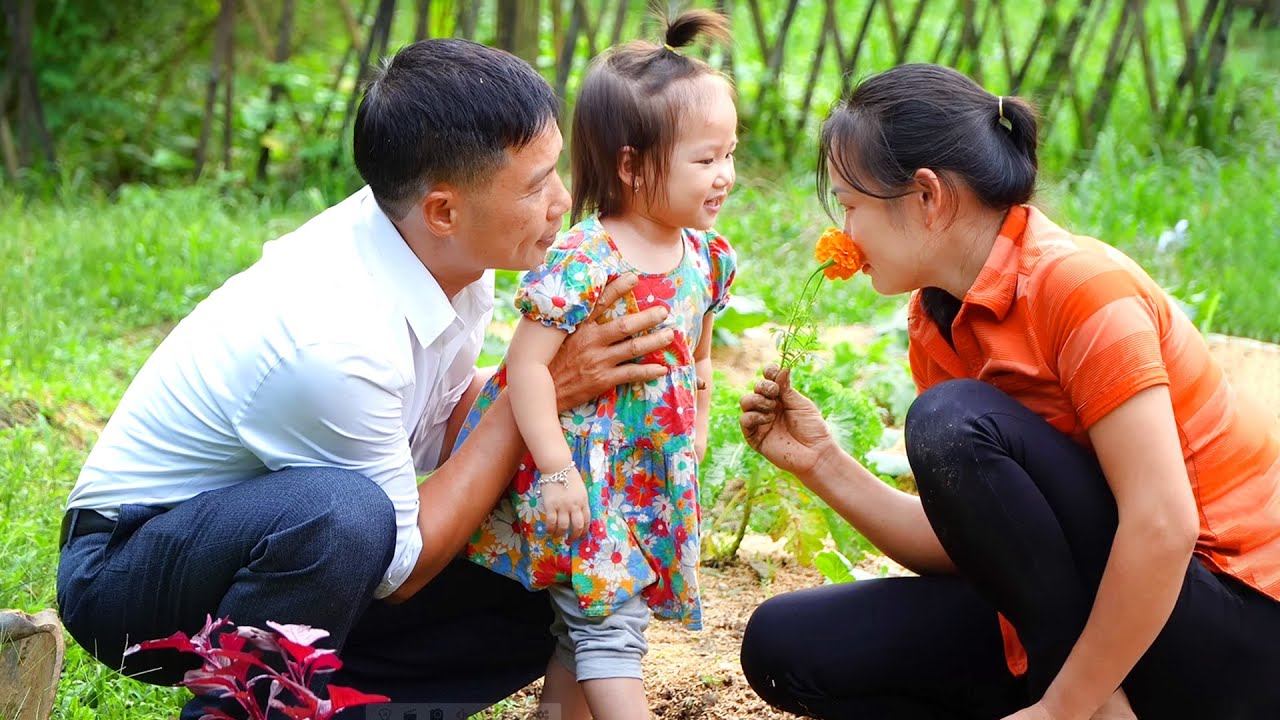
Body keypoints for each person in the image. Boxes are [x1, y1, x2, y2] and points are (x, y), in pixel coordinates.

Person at [55, 39, 677, 720]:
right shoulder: (338, 341)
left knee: (550, 574)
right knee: (345, 517)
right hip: (127, 572)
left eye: (556, 171)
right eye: (534, 186)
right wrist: (542, 393)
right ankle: (238, 710)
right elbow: (400, 569)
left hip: (271, 549)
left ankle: (320, 707)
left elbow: (448, 428)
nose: (563, 201)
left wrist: (572, 420)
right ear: (444, 210)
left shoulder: (447, 256)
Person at [736, 63, 1280, 720]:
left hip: (1228, 622)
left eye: (851, 207)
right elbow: (985, 538)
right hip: (1089, 622)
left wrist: (1070, 705)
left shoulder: (1082, 291)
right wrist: (822, 463)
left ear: (928, 197)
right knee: (786, 645)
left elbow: (1163, 525)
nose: (844, 234)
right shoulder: (937, 321)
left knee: (950, 420)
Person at [457, 10, 737, 720]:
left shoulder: (706, 256)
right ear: (631, 162)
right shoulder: (586, 258)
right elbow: (525, 368)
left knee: (579, 634)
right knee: (611, 632)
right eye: (705, 160)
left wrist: (696, 433)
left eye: (729, 155)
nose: (724, 176)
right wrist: (554, 467)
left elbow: (697, 357)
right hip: (588, 483)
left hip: (652, 479)